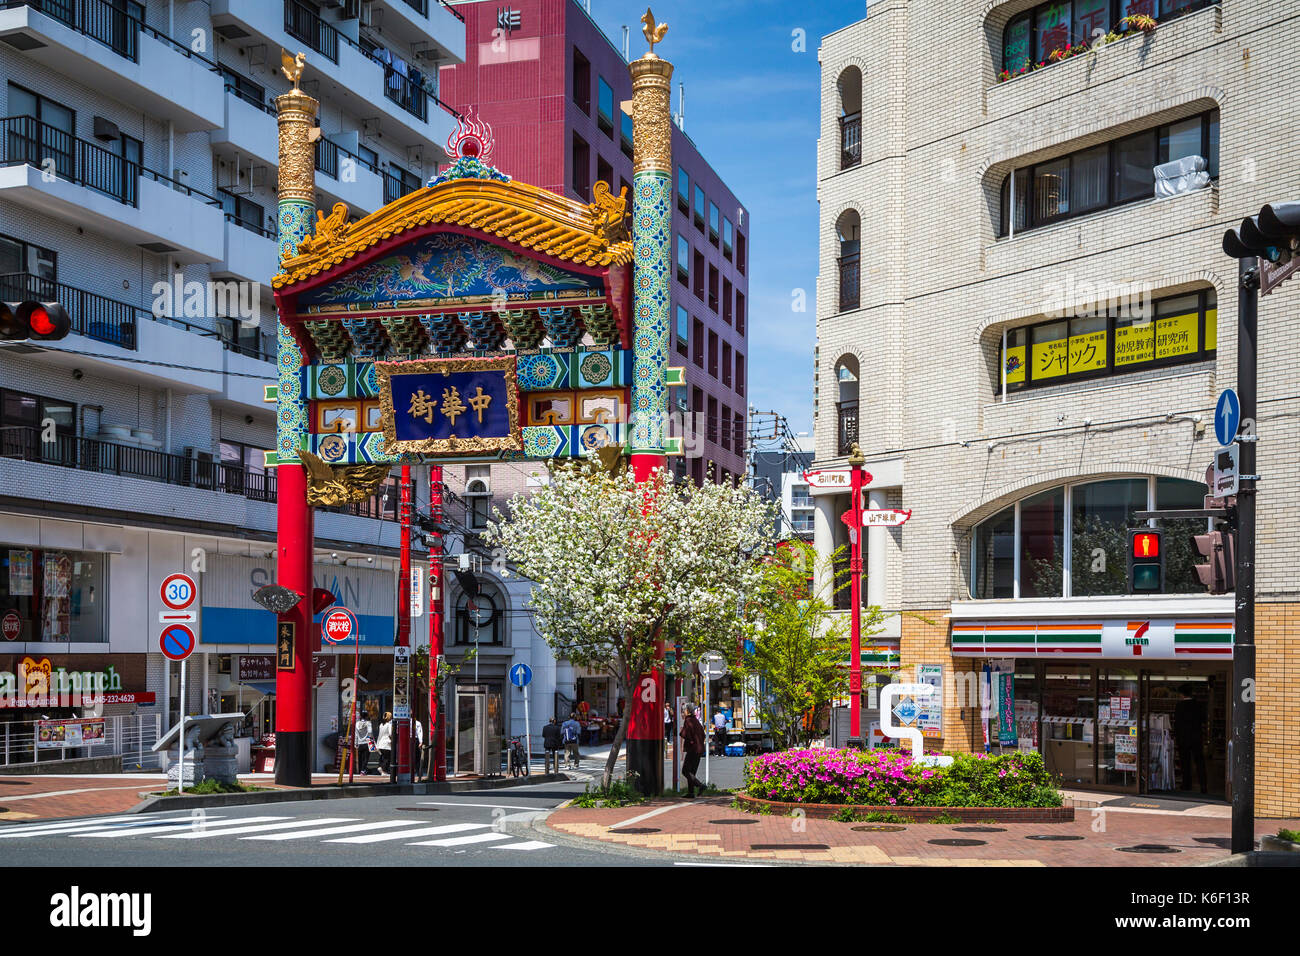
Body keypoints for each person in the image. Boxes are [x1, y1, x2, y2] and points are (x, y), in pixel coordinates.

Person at [1174, 686, 1208, 794]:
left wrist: (1177, 736)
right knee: (1199, 761)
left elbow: (1177, 723)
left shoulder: (1179, 705)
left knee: (1185, 762)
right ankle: (1203, 785)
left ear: (1182, 694)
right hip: (1196, 737)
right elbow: (1204, 719)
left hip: (1183, 738)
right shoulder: (1198, 705)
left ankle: (1186, 784)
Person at [680, 706, 707, 798]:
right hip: (699, 748)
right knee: (692, 771)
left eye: (683, 711)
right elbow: (703, 734)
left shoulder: (688, 720)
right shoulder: (696, 720)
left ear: (687, 711)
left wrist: (680, 733)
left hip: (692, 748)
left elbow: (685, 734)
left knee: (685, 771)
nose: (682, 713)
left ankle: (700, 785)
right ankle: (690, 792)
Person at [353, 708, 373, 776]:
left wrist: (355, 743)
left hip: (359, 743)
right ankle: (363, 770)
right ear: (367, 716)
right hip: (367, 742)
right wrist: (370, 739)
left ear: (361, 716)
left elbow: (355, 734)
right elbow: (370, 732)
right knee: (366, 758)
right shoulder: (368, 723)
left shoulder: (357, 723)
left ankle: (360, 770)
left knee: (360, 758)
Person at [376, 711, 393, 776]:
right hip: (387, 743)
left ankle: (380, 767)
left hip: (380, 743)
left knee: (382, 756)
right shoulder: (389, 725)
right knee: (387, 758)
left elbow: (379, 735)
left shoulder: (381, 725)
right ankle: (384, 771)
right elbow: (391, 734)